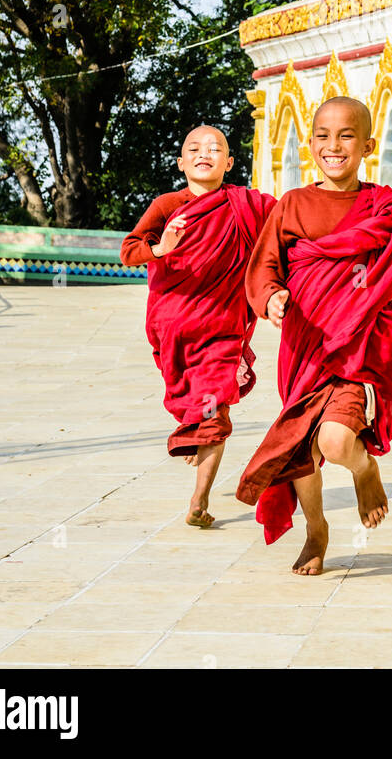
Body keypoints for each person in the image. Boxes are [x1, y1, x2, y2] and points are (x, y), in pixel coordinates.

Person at [236, 97, 392, 575]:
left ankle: (364, 469)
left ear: (367, 144)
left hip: (354, 348)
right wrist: (270, 298)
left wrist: (384, 289)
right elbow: (263, 266)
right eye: (323, 136)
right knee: (299, 445)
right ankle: (315, 528)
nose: (334, 145)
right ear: (310, 144)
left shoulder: (387, 207)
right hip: (304, 343)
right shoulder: (293, 205)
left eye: (346, 135)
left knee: (336, 442)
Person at [121, 126, 274, 528]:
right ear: (181, 162)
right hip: (173, 325)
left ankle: (199, 498)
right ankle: (195, 428)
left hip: (223, 325)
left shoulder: (246, 204)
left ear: (230, 163)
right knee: (196, 400)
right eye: (194, 148)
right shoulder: (167, 204)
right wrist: (160, 248)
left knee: (214, 410)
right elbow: (129, 250)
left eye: (215, 148)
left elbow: (288, 226)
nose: (204, 153)